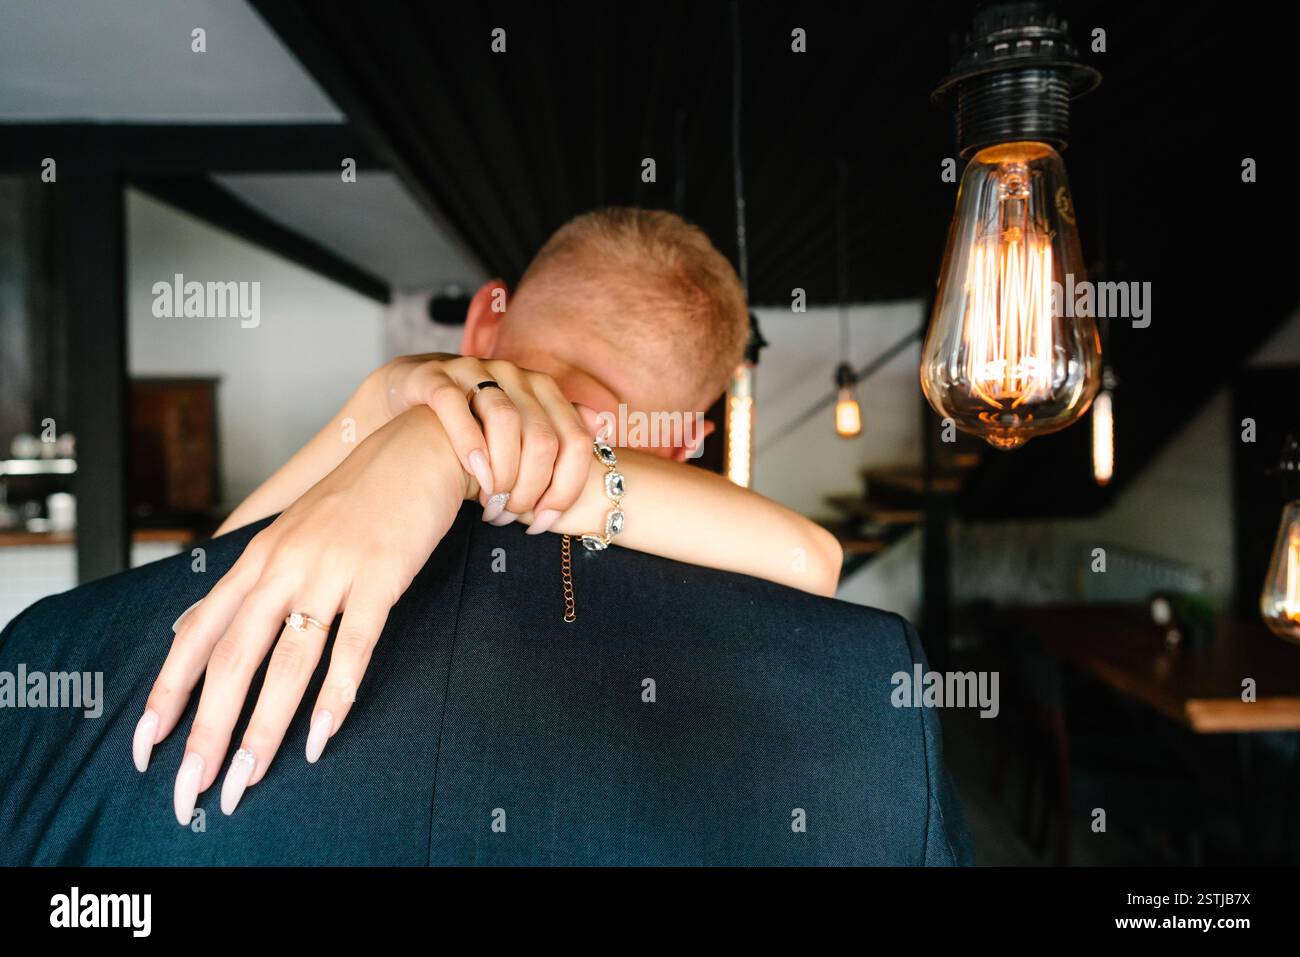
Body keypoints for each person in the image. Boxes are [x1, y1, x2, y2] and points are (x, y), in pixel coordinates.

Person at [0, 209, 972, 864]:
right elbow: (809, 561)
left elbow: (207, 576)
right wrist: (434, 434)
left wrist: (423, 426)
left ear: (479, 322)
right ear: (689, 440)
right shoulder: (863, 692)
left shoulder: (58, 656)